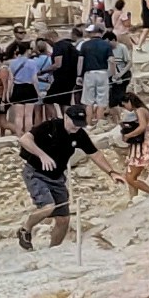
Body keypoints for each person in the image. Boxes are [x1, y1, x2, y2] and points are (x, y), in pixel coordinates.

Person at [16, 102, 96, 251]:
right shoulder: (49, 127)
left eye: (80, 124)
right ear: (66, 117)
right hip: (36, 173)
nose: (76, 127)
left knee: (64, 219)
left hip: (57, 177)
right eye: (74, 122)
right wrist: (42, 155)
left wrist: (112, 172)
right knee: (48, 207)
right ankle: (25, 230)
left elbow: (94, 153)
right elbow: (24, 139)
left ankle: (53, 250)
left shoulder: (79, 134)